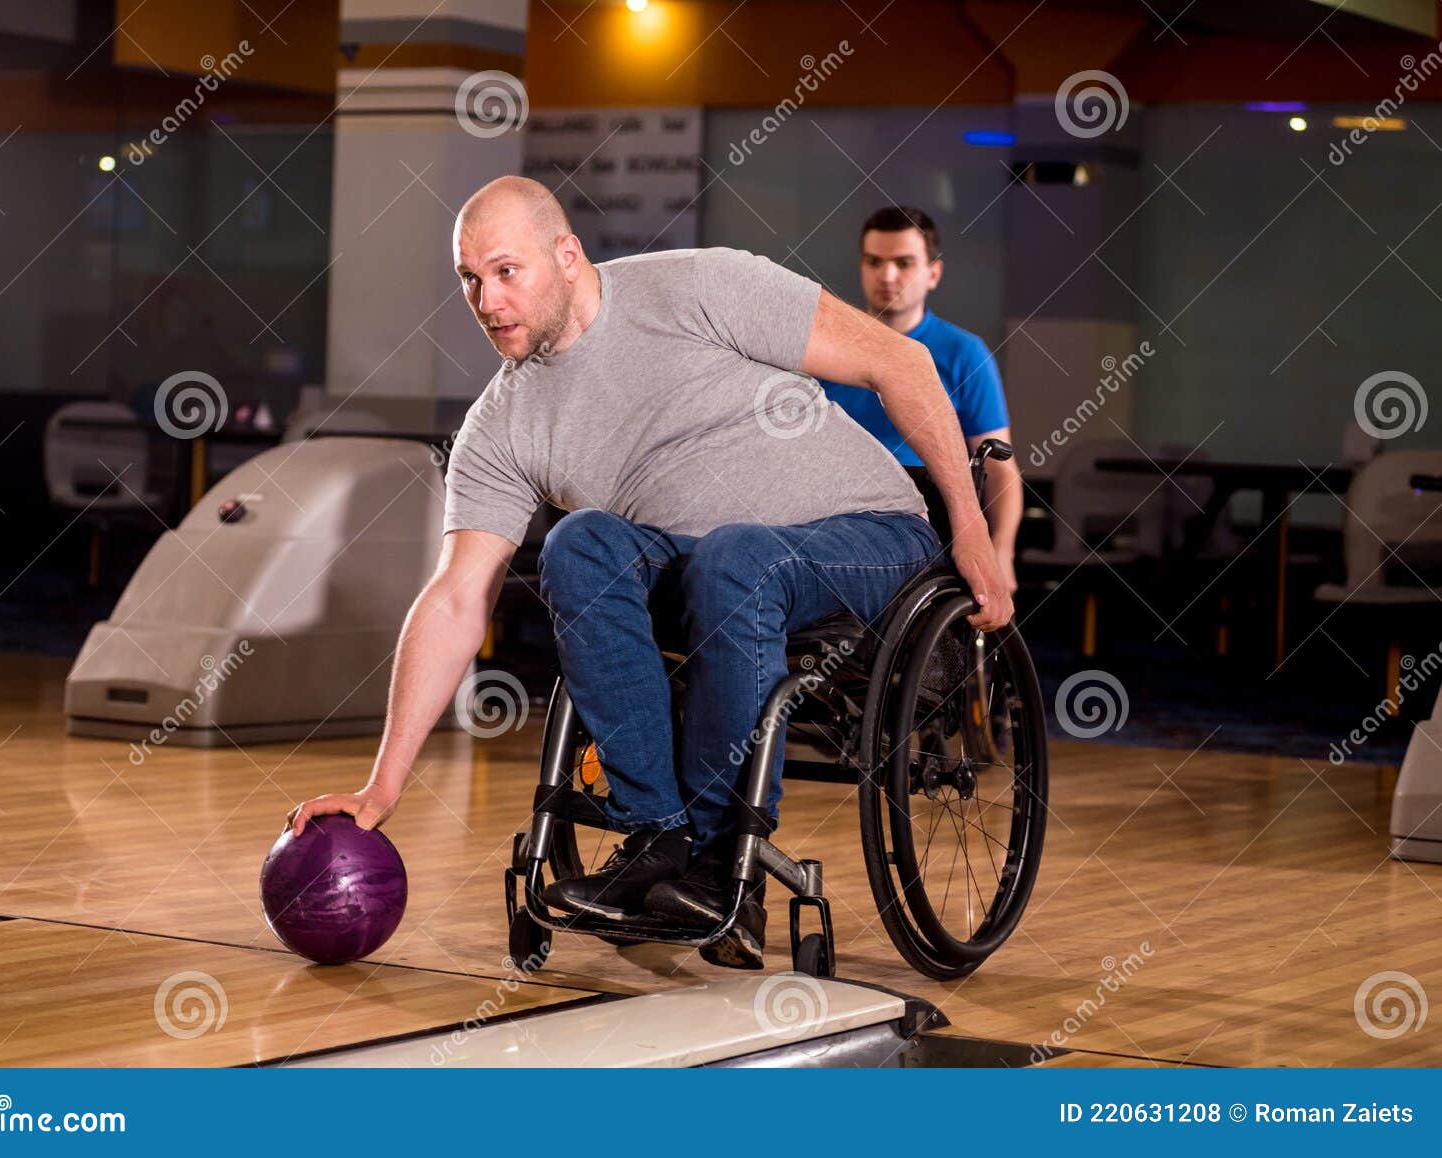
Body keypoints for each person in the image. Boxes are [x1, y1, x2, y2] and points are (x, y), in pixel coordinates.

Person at [286, 177, 1011, 969]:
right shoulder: (502, 426)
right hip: (720, 573)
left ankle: (717, 865)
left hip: (868, 538)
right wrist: (381, 787)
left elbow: (898, 362)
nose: (486, 299)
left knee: (738, 554)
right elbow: (458, 597)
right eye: (469, 278)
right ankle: (658, 836)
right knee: (579, 545)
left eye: (505, 271)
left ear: (566, 255)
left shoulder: (698, 286)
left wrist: (970, 533)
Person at [818, 206, 1021, 595]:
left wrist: (1002, 552)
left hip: (923, 519)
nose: (887, 275)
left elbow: (999, 469)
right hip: (833, 512)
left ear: (933, 273)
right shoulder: (828, 347)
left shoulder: (963, 353)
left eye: (904, 263)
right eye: (874, 261)